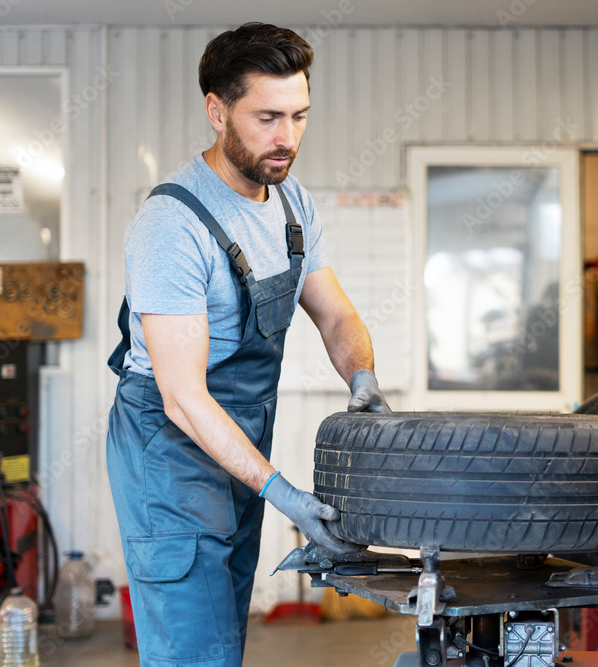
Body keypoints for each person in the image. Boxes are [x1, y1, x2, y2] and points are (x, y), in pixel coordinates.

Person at [105, 23, 390, 666]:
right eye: (266, 117)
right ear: (217, 110)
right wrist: (282, 491)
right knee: (193, 651)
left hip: (237, 452)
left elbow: (336, 313)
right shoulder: (171, 225)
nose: (286, 138)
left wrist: (363, 379)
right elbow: (182, 396)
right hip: (171, 453)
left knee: (223, 638)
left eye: (298, 116)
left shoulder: (293, 206)